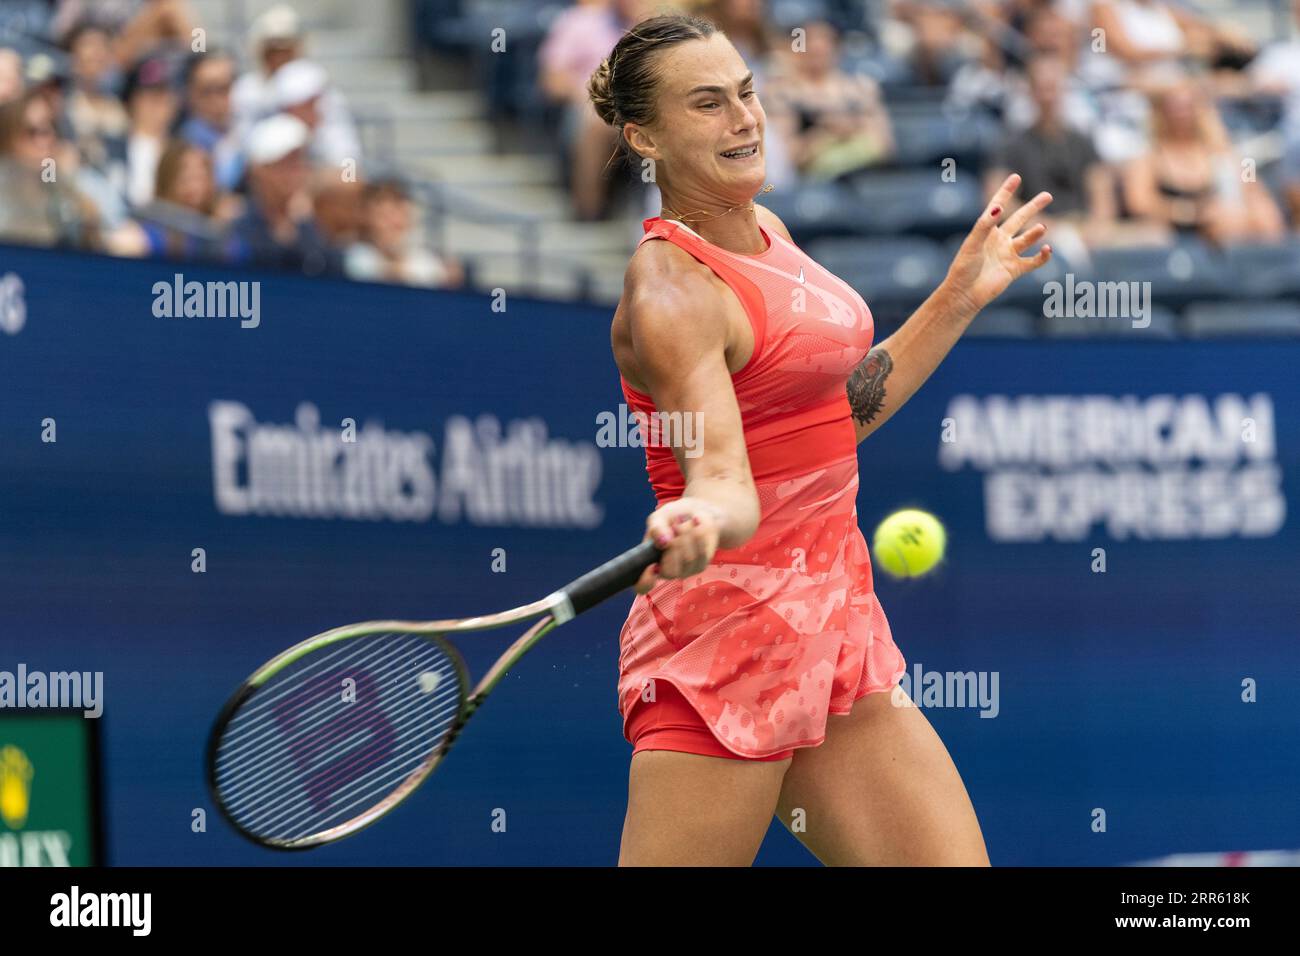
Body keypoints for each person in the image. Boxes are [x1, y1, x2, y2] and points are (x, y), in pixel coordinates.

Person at [589, 12, 1053, 866]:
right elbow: (723, 477)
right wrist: (703, 519)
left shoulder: (768, 232)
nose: (745, 119)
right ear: (643, 135)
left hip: (836, 627)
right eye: (708, 105)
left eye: (746, 93)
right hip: (725, 645)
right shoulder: (671, 292)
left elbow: (834, 423)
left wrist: (958, 295)